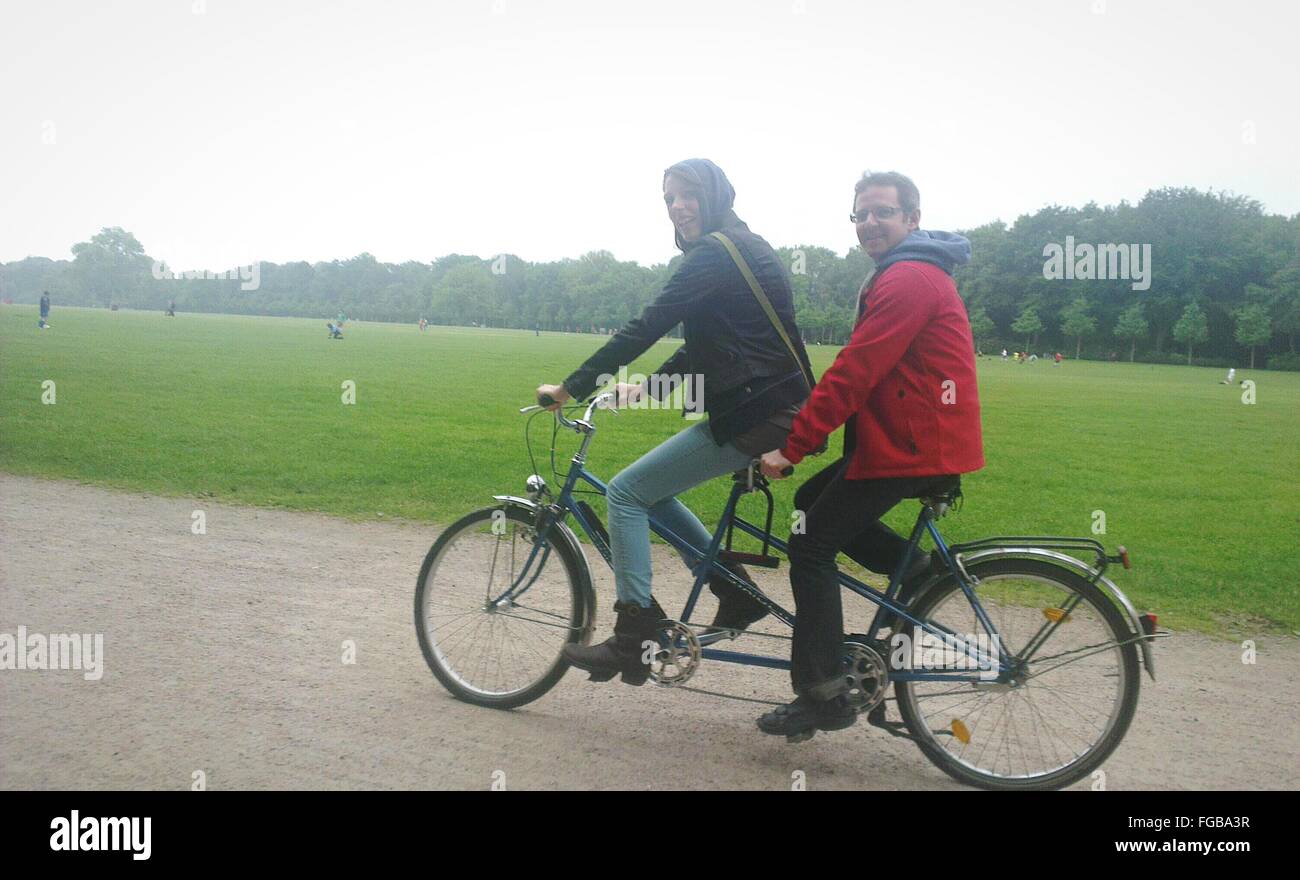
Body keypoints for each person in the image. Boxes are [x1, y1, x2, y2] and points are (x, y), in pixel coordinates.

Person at [535, 158, 816, 686]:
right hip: (775, 406)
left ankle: (633, 631)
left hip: (759, 412)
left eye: (688, 194)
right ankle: (732, 590)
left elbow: (647, 325)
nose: (677, 206)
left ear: (714, 195)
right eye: (669, 198)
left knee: (624, 493)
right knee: (653, 495)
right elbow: (706, 345)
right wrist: (647, 389)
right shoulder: (741, 244)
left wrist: (571, 387)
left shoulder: (715, 253)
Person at [757, 171, 985, 738]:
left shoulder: (908, 278)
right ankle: (920, 573)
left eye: (882, 212)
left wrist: (792, 446)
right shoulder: (907, 272)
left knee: (810, 545)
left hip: (914, 447)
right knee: (812, 504)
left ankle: (823, 696)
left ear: (912, 219)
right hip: (911, 442)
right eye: (860, 214)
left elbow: (856, 372)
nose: (869, 223)